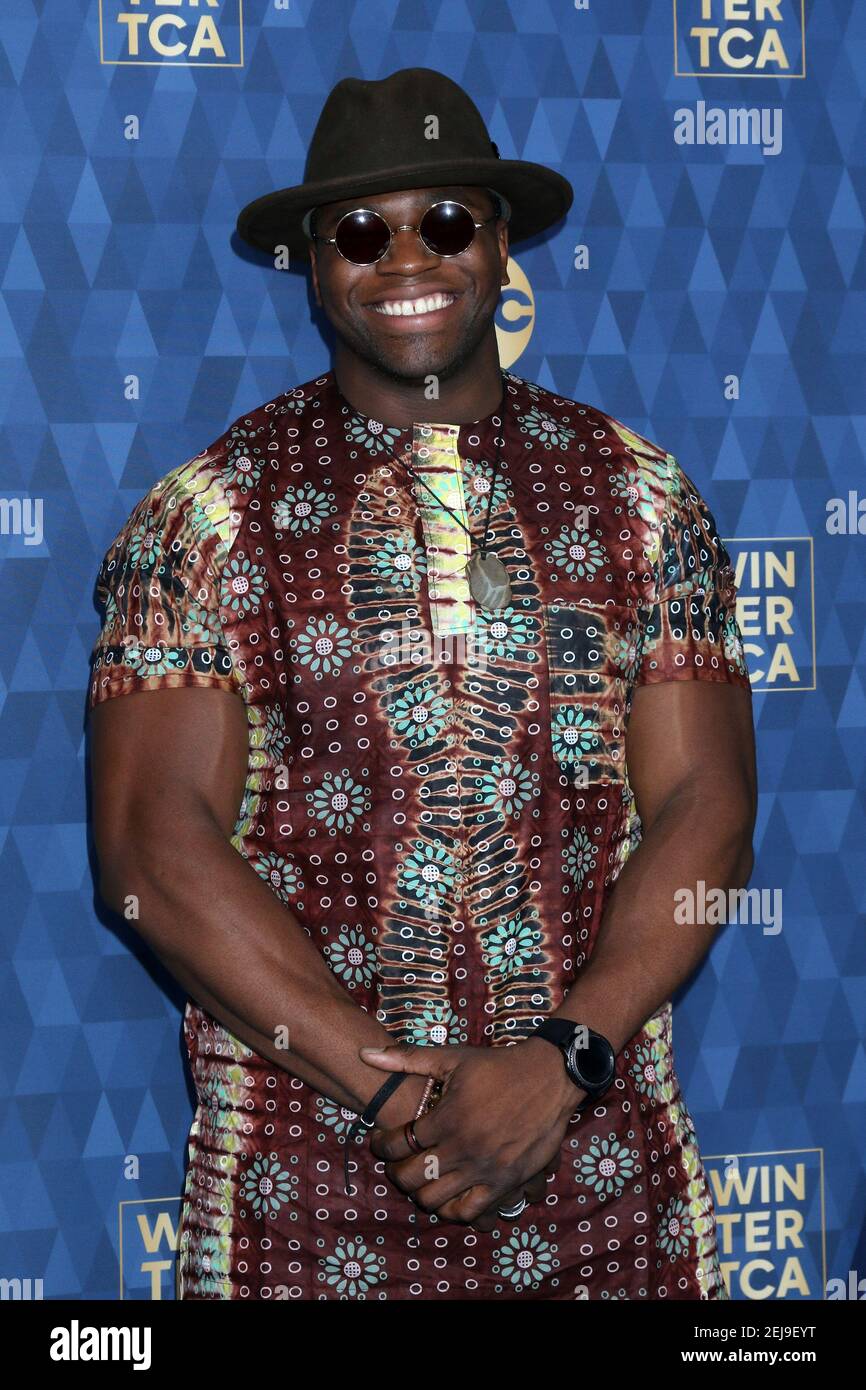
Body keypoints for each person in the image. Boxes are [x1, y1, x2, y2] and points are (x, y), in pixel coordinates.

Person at [88, 67, 757, 1301]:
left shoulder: (638, 496)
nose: (408, 260)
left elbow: (705, 806)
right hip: (300, 1200)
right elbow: (147, 851)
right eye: (361, 232)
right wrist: (398, 1091)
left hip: (604, 1193)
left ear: (500, 244)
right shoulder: (204, 519)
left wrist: (561, 1057)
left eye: (446, 221)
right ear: (309, 262)